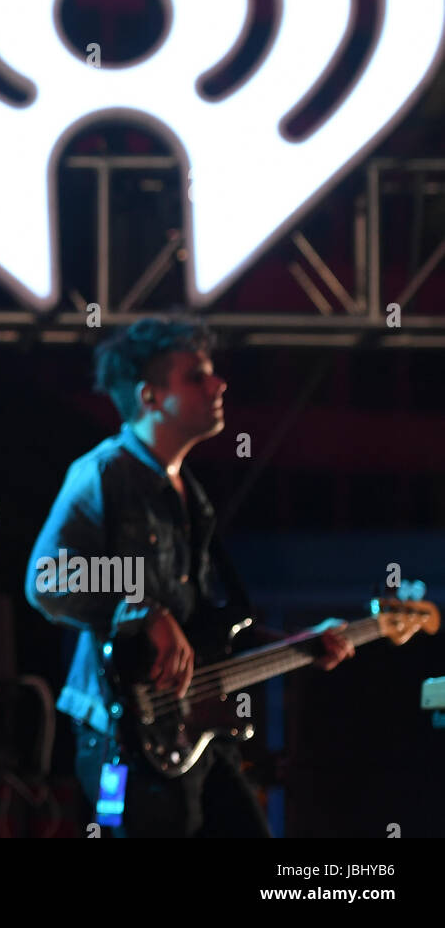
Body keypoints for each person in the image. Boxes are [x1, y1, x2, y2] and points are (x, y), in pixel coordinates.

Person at [24, 316, 352, 837]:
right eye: (196, 376)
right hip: (124, 730)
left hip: (194, 727)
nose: (218, 384)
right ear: (150, 396)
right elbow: (50, 577)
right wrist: (143, 610)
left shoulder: (190, 494)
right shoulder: (104, 473)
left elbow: (202, 625)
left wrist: (294, 643)